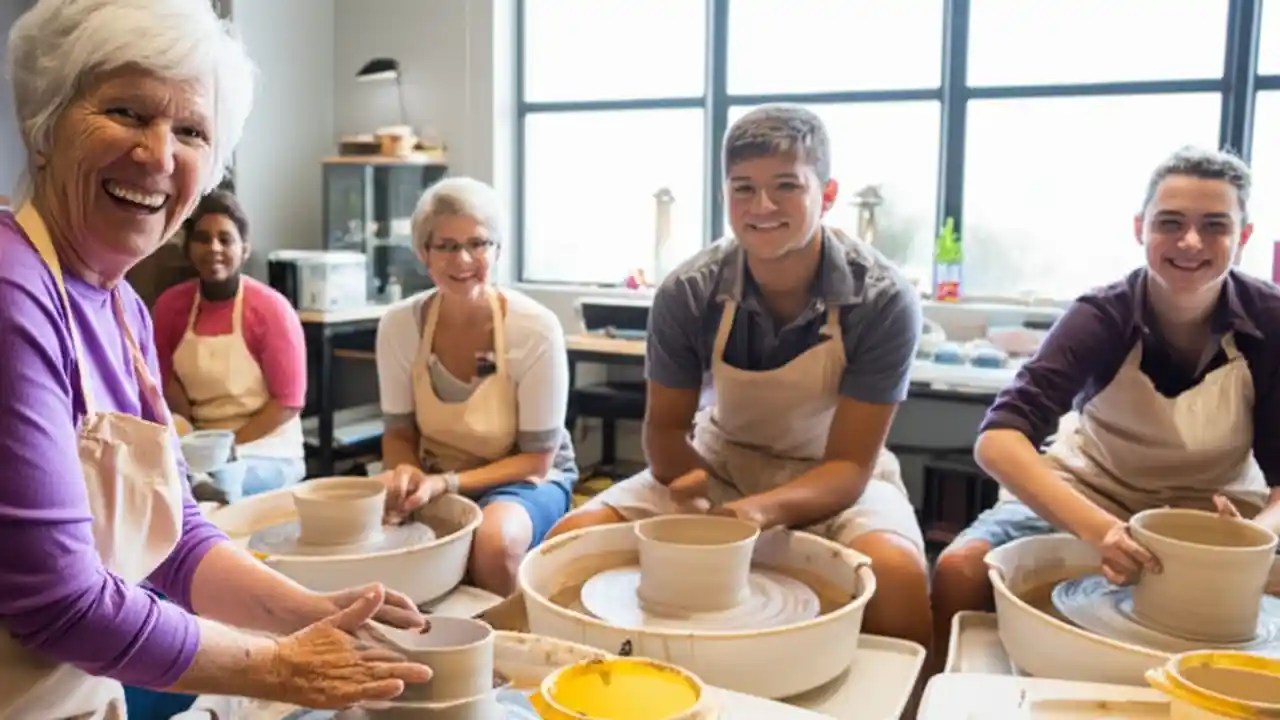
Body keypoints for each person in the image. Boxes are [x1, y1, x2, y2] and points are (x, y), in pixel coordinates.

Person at [0, 1, 433, 717]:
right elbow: (59, 602)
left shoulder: (124, 309)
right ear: (44, 126)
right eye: (128, 112)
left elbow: (176, 538)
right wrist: (282, 669)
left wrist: (309, 614)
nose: (159, 156)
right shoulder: (15, 289)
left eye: (192, 131)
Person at [547, 104, 932, 650]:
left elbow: (848, 466)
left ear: (826, 194)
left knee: (897, 577)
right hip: (719, 462)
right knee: (568, 544)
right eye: (743, 188)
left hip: (834, 477)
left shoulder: (883, 298)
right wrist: (698, 497)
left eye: (786, 187)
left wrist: (755, 514)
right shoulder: (689, 291)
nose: (763, 206)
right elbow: (663, 432)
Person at [930, 145, 1280, 666]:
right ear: (1140, 228)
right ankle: (944, 689)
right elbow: (998, 440)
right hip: (1091, 491)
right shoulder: (1102, 315)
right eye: (1170, 223)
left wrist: (1257, 536)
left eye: (1214, 225)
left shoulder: (1270, 322)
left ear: (1243, 235)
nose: (1190, 241)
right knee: (959, 571)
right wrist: (1100, 530)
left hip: (1214, 511)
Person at [375, 176, 578, 597]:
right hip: (434, 472)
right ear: (423, 254)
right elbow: (398, 433)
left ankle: (516, 644)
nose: (463, 258)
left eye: (478, 243)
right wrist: (405, 472)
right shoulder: (399, 326)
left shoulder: (534, 329)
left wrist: (444, 485)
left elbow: (537, 460)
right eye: (446, 246)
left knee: (493, 545)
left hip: (523, 478)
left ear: (498, 250)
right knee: (371, 539)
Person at [154, 187, 308, 501]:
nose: (213, 248)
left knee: (224, 485)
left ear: (245, 249)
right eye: (202, 238)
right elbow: (165, 379)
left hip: (268, 451)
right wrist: (197, 441)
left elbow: (288, 401)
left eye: (225, 239)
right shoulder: (170, 307)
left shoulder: (271, 309)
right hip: (199, 447)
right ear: (188, 248)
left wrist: (226, 449)